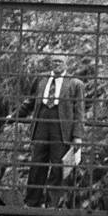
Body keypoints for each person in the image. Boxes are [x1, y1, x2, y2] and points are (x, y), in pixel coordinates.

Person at [16, 52, 85, 207]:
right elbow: (30, 101)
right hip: (41, 125)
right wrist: (14, 116)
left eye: (60, 61)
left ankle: (51, 204)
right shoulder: (41, 79)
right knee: (37, 164)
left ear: (66, 63)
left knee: (58, 167)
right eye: (54, 61)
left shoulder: (75, 84)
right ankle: (32, 201)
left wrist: (77, 136)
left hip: (61, 129)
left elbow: (79, 113)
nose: (56, 64)